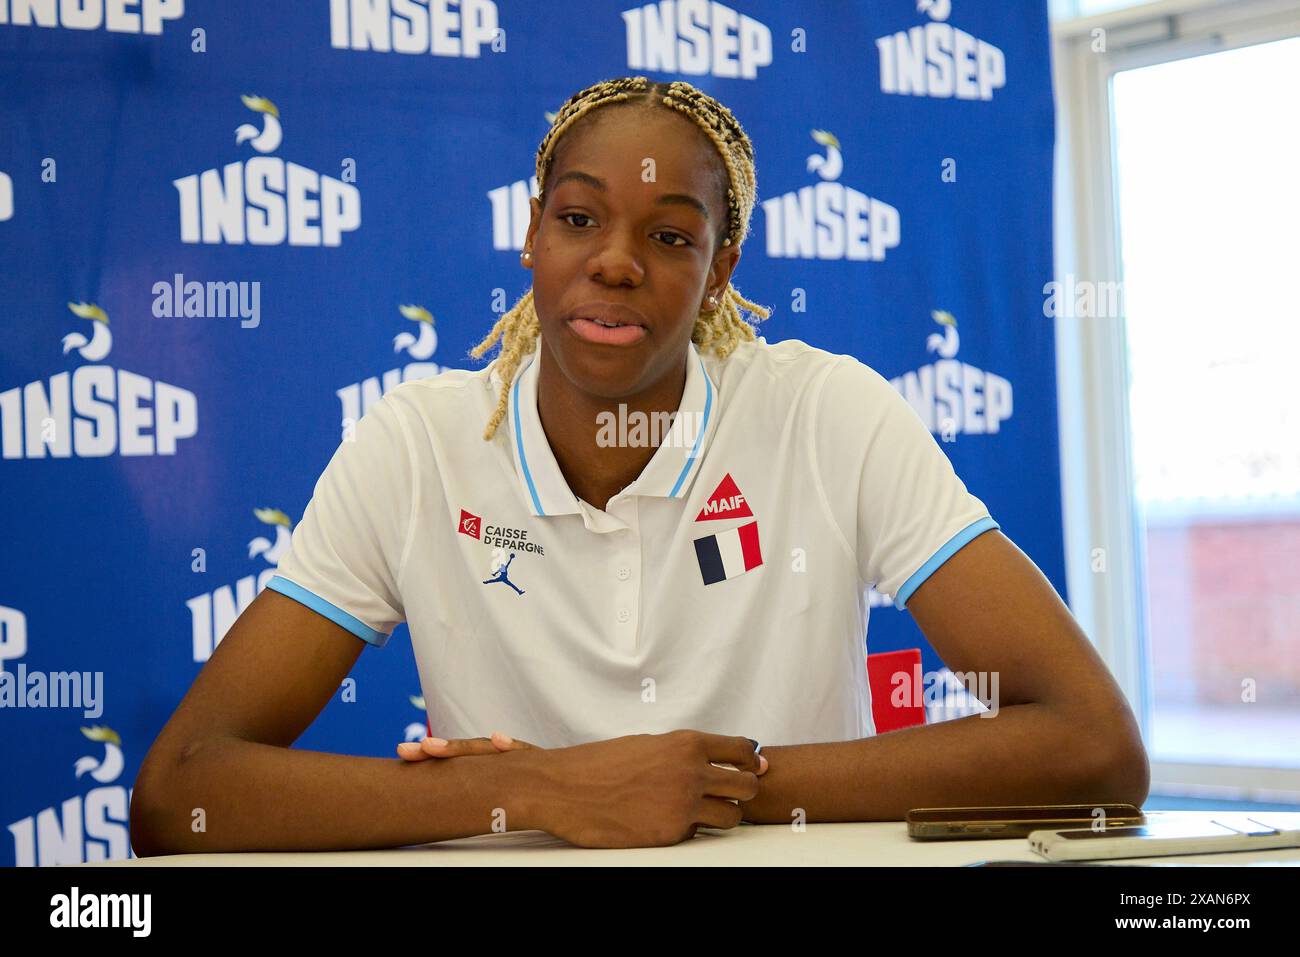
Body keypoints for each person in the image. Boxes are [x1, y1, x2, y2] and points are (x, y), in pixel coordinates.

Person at [129, 76, 1147, 856]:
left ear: (719, 273)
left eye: (669, 236)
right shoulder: (415, 444)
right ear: (530, 237)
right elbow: (180, 796)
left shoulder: (825, 412)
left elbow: (1093, 746)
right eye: (578, 219)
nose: (615, 260)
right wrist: (541, 791)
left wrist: (699, 785)